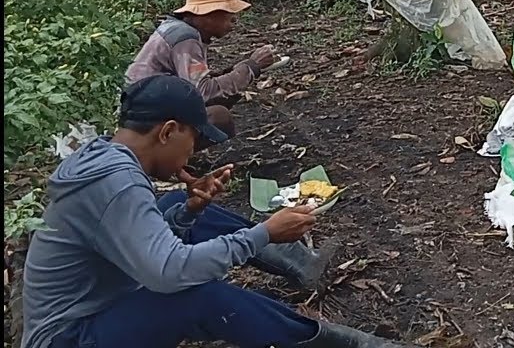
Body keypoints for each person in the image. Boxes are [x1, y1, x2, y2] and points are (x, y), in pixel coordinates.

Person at [21, 75, 412, 348]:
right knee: (195, 296)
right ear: (168, 131)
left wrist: (188, 214)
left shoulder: (107, 159)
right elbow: (169, 273)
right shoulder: (116, 182)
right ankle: (342, 343)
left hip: (98, 308)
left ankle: (302, 265)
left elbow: (131, 249)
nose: (192, 154)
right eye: (193, 141)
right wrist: (262, 234)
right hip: (70, 337)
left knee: (175, 204)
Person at [126, 0, 277, 141]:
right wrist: (251, 67)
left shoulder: (178, 29)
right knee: (220, 117)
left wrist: (235, 71)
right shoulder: (185, 38)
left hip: (141, 109)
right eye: (228, 14)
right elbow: (203, 93)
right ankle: (166, 160)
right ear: (208, 15)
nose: (234, 20)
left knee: (224, 100)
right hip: (144, 118)